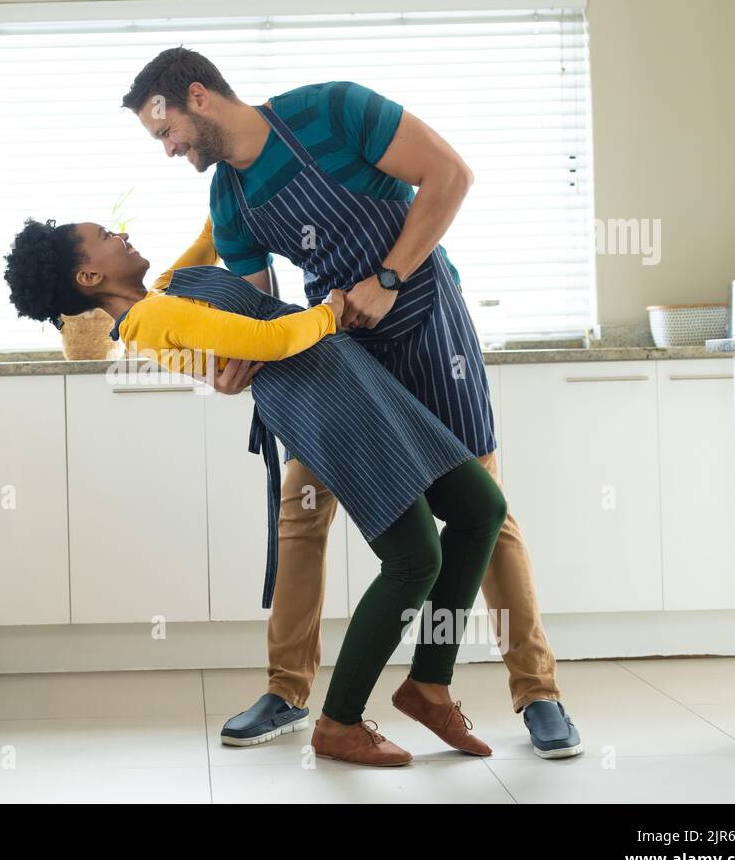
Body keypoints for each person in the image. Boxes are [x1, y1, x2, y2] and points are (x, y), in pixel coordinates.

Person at [121, 47, 581, 759]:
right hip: (340, 348)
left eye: (165, 132)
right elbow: (259, 313)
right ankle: (287, 690)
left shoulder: (332, 110)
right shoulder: (229, 201)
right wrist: (235, 365)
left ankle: (538, 692)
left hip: (427, 316)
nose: (169, 149)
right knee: (301, 509)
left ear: (198, 96)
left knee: (484, 508)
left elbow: (449, 176)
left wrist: (389, 277)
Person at [2, 217, 506, 765]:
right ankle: (339, 723)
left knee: (483, 509)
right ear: (90, 274)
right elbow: (271, 340)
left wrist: (237, 170)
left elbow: (208, 237)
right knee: (413, 561)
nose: (122, 234)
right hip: (327, 406)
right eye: (106, 235)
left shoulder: (166, 287)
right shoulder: (152, 317)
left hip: (355, 382)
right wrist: (333, 310)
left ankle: (428, 685)